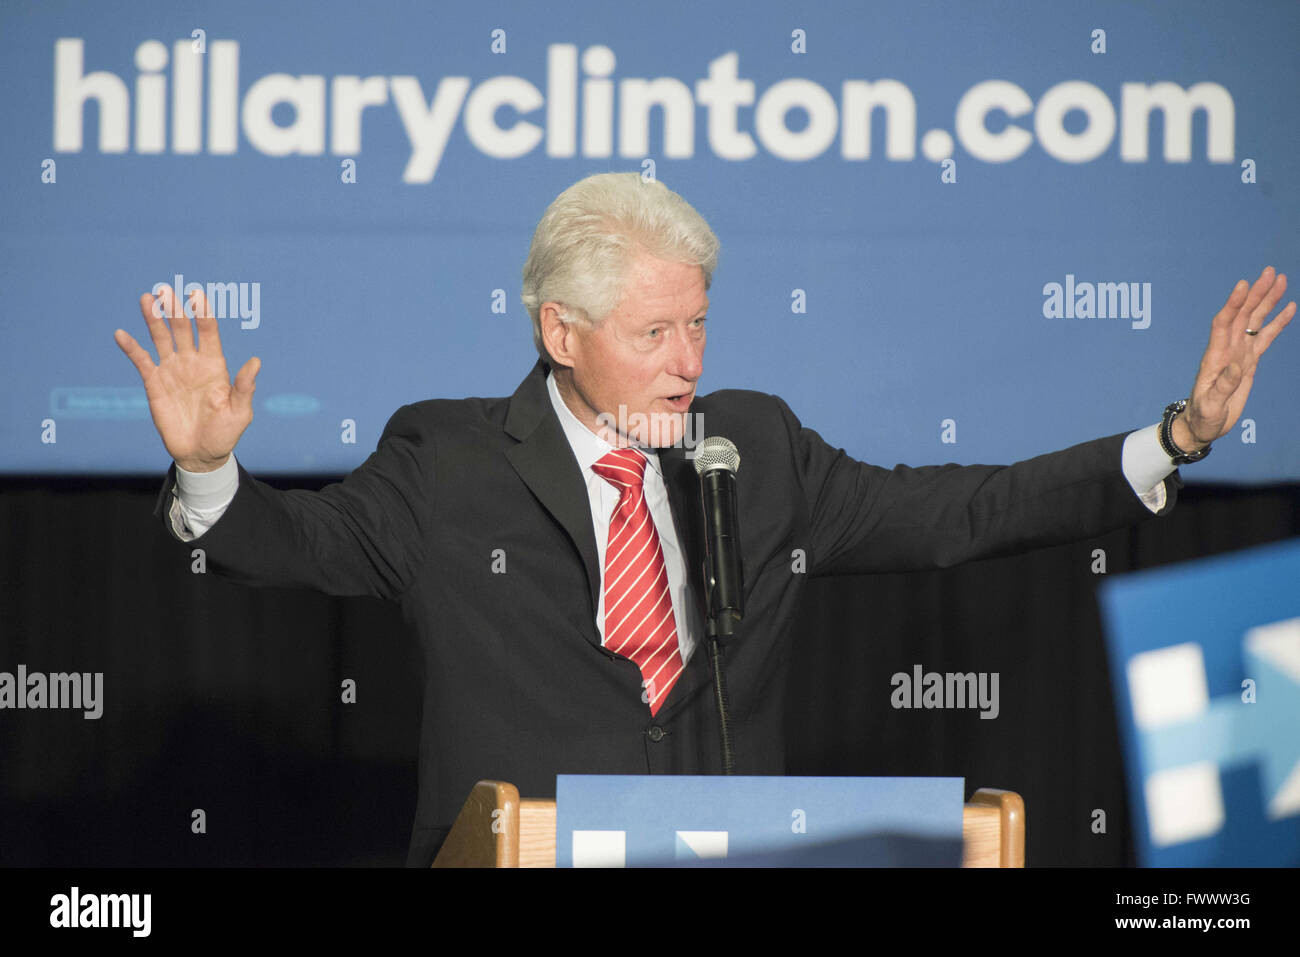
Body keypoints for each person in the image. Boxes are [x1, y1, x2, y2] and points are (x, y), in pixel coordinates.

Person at [114, 173, 1294, 866]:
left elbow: (952, 511)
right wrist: (214, 473)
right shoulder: (450, 459)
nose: (687, 365)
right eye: (652, 336)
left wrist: (1173, 439)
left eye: (699, 326)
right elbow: (302, 547)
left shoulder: (754, 445)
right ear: (559, 333)